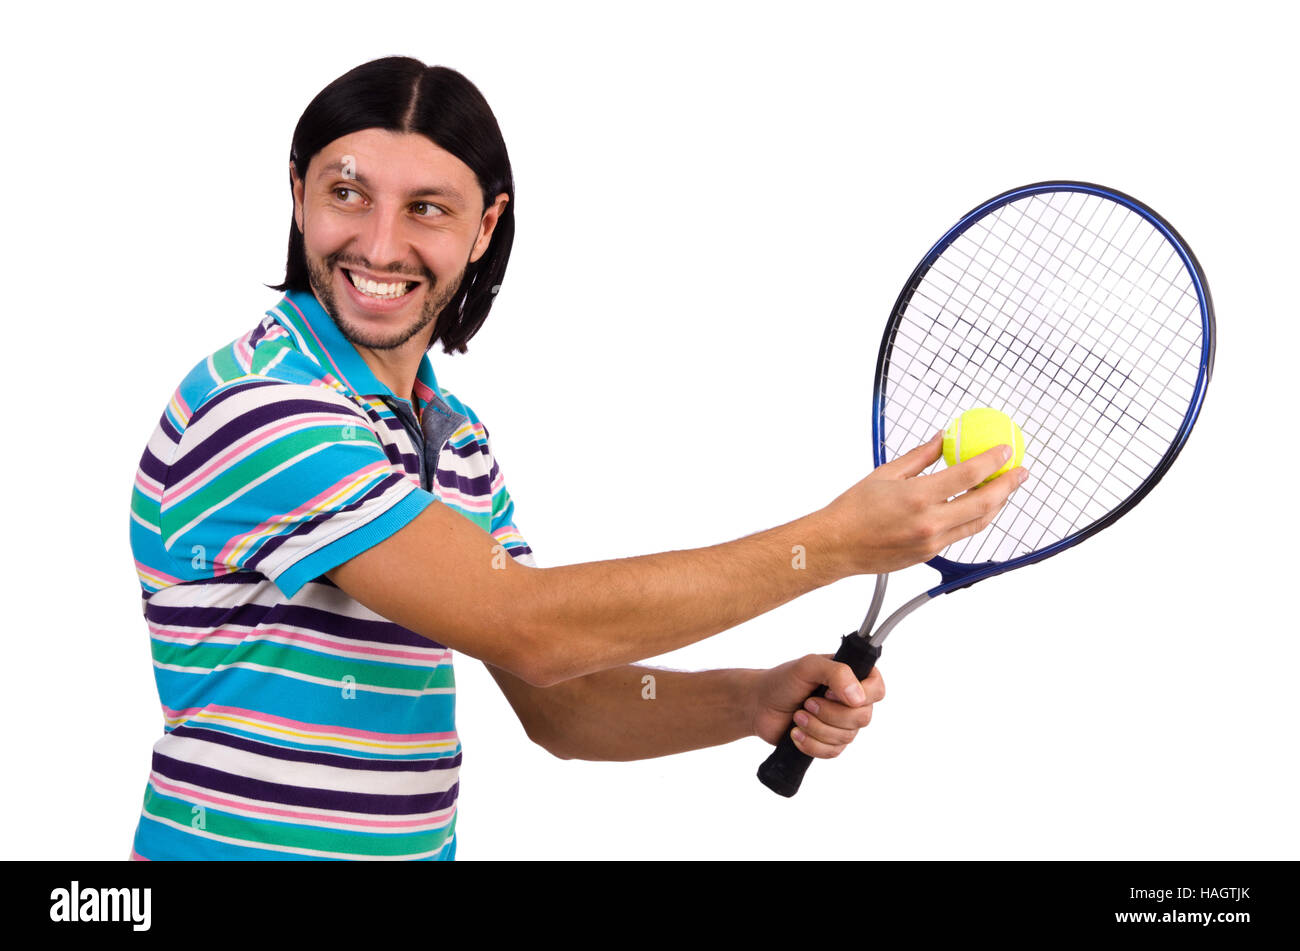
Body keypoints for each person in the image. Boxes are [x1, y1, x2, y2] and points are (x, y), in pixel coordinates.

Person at [127, 56, 1025, 861]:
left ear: (485, 227)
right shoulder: (261, 404)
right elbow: (531, 626)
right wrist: (833, 542)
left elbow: (556, 698)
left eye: (427, 208)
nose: (380, 243)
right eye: (348, 194)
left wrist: (748, 701)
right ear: (298, 193)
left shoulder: (453, 434)